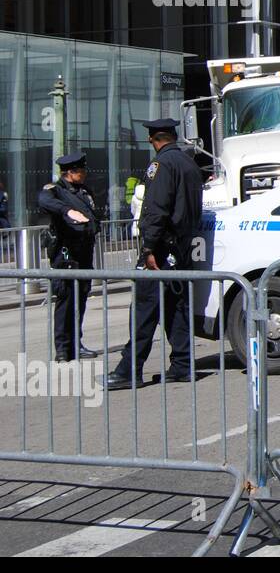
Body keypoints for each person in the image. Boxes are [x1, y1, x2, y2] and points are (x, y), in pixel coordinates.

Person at [107, 118, 204, 390]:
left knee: (143, 308)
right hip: (182, 246)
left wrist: (148, 247)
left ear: (154, 139)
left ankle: (129, 370)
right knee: (176, 306)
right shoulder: (189, 163)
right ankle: (183, 365)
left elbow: (156, 209)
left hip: (161, 247)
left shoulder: (161, 165)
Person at [38, 153, 101, 362]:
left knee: (80, 299)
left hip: (84, 254)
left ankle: (76, 343)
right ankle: (63, 349)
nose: (84, 174)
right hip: (66, 255)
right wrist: (67, 210)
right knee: (65, 301)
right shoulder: (55, 190)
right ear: (69, 172)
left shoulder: (84, 191)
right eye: (80, 171)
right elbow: (44, 201)